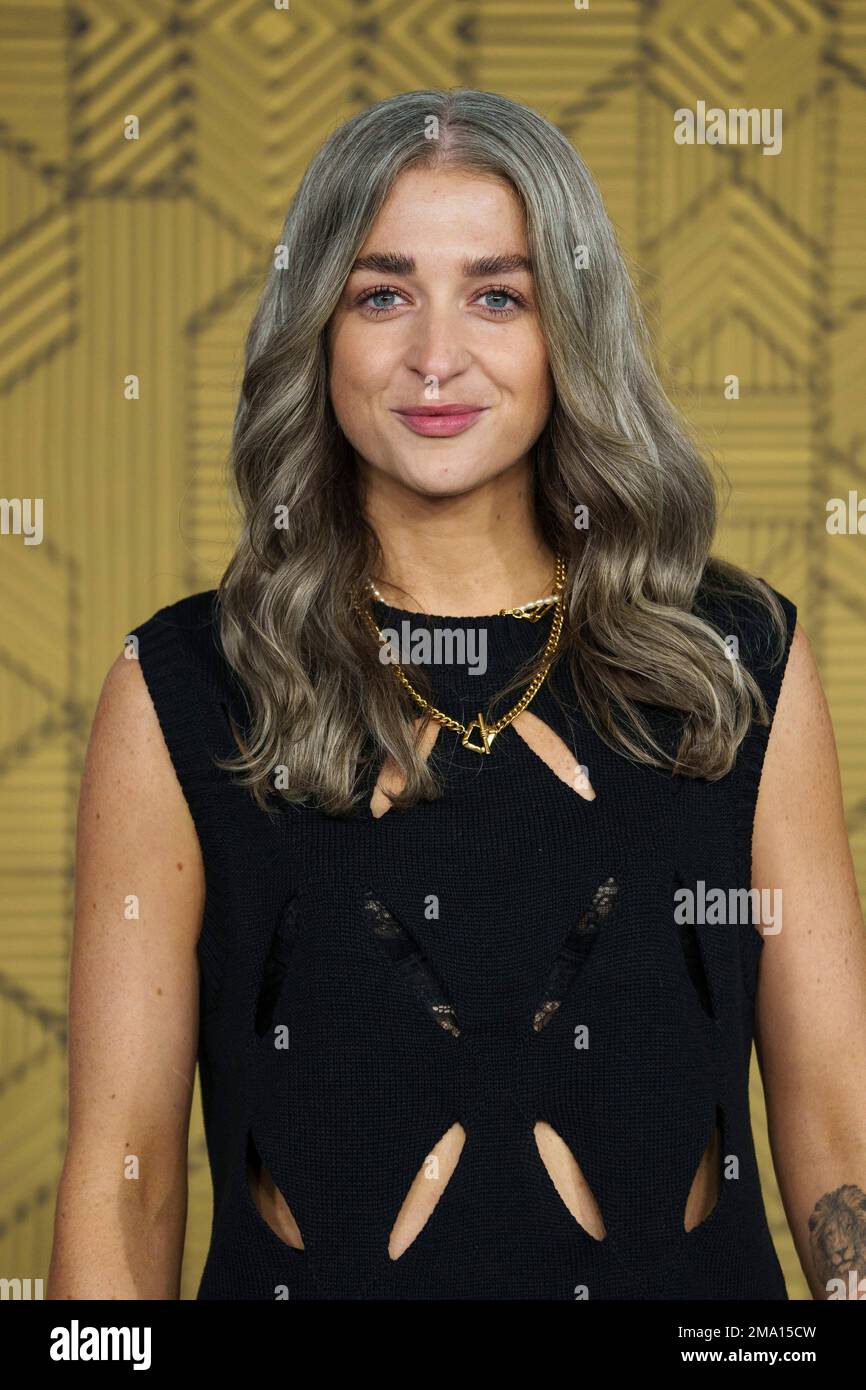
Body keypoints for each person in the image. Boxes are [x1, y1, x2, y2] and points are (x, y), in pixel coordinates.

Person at [48, 88, 866, 1302]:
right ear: (317, 328)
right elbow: (125, 1184)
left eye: (498, 294)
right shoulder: (183, 685)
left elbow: (838, 1132)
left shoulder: (729, 661)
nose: (437, 357)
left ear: (566, 331)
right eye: (383, 295)